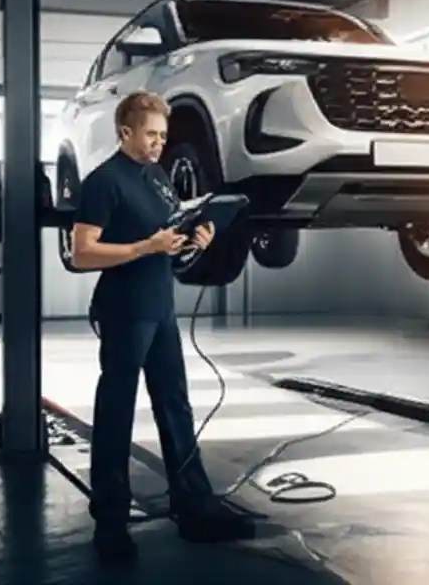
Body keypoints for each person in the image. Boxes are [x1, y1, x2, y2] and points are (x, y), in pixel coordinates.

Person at [70, 91, 255, 562]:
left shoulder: (158, 179)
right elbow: (82, 253)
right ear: (125, 131)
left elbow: (169, 243)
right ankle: (110, 523)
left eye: (163, 136)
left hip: (160, 308)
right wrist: (143, 248)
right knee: (116, 414)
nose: (158, 144)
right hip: (123, 310)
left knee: (175, 405)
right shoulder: (102, 182)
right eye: (150, 134)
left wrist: (199, 238)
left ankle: (195, 506)